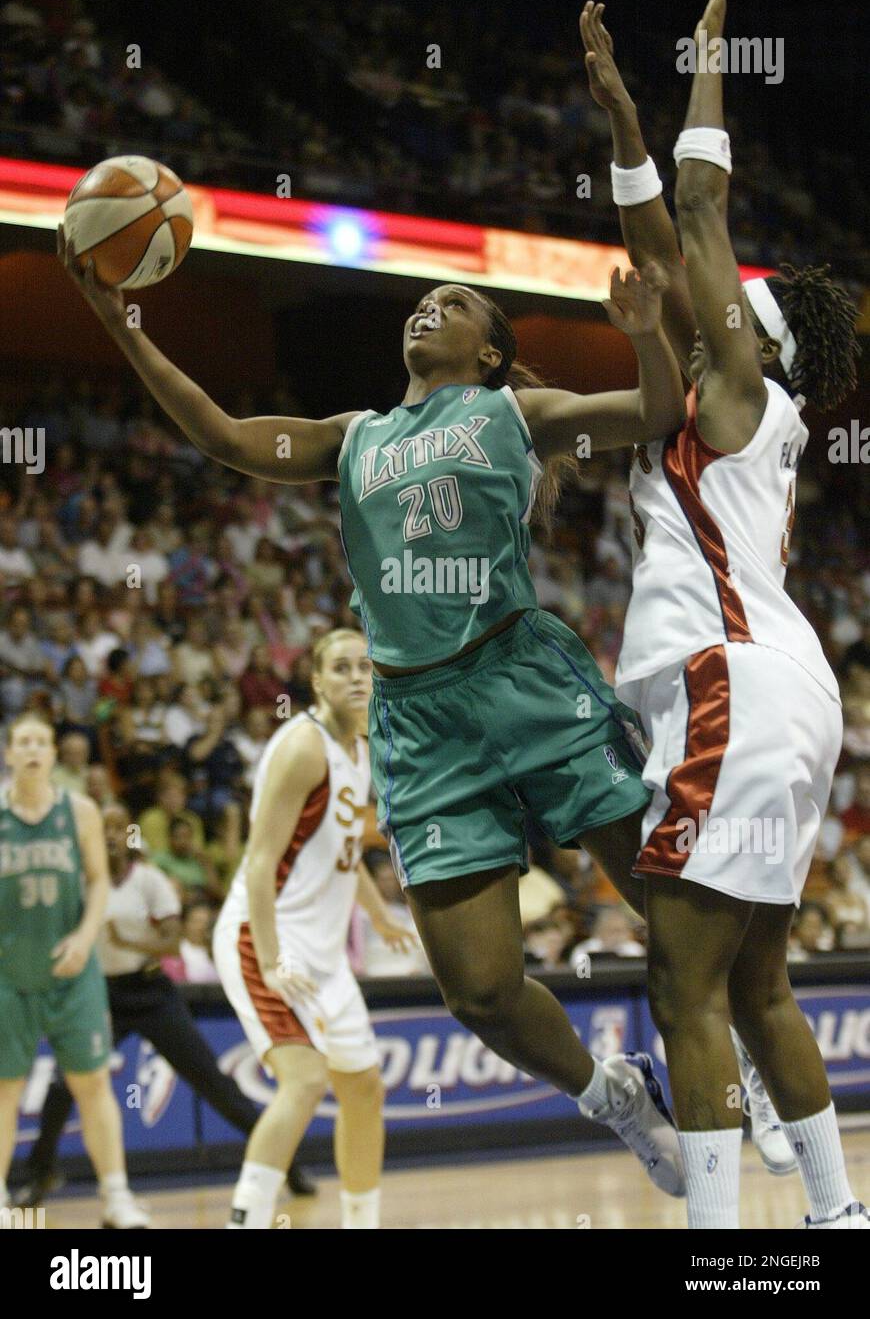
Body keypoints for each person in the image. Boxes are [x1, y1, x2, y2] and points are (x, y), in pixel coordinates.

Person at [58, 205, 690, 1195]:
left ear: (489, 354)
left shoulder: (512, 414)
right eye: (427, 299)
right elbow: (221, 433)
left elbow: (656, 410)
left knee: (665, 901)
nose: (431, 306)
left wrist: (649, 326)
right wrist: (116, 316)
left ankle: (754, 1084)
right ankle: (614, 1093)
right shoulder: (355, 436)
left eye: (458, 303)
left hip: (518, 677)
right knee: (478, 987)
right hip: (419, 723)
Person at [599, 0, 865, 1230]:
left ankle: (713, 1243)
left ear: (767, 347)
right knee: (757, 987)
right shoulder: (731, 389)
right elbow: (661, 232)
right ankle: (835, 1218)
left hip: (730, 680)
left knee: (682, 992)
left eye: (733, 312)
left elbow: (697, 211)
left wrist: (708, 38)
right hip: (781, 688)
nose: (716, 308)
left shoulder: (744, 391)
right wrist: (619, 125)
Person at [13, 802, 314, 1207]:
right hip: (101, 995)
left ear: (131, 834)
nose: (111, 835)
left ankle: (285, 1166)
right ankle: (40, 1173)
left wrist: (127, 942)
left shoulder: (150, 881)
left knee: (212, 1082)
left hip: (151, 992)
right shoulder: (82, 883)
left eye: (119, 828)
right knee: (64, 1085)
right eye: (103, 828)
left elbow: (173, 941)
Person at [213, 629, 416, 1228]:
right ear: (317, 682)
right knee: (303, 1082)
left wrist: (377, 915)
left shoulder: (360, 746)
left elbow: (338, 848)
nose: (357, 677)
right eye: (341, 668)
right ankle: (245, 1220)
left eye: (365, 668)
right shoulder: (304, 746)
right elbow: (258, 861)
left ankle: (362, 1223)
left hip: (325, 956)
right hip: (262, 936)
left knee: (364, 1091)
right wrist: (273, 959)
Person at [0, 715, 148, 1228]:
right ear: (10, 754)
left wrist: (86, 938)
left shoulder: (80, 811)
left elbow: (99, 883)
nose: (34, 749)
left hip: (73, 971)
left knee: (93, 1084)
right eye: (24, 742)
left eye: (42, 741)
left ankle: (116, 1197)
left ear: (54, 754)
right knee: (5, 1091)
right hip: (8, 975)